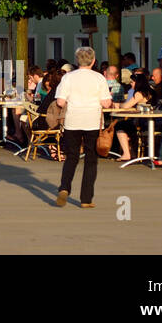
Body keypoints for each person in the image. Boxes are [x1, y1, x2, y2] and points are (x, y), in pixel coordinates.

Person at [54, 46, 113, 209]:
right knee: (91, 159)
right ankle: (86, 198)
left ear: (77, 60)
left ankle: (64, 187)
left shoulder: (68, 78)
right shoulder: (99, 78)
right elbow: (106, 102)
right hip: (92, 121)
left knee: (71, 156)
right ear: (93, 61)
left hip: (73, 121)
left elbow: (60, 102)